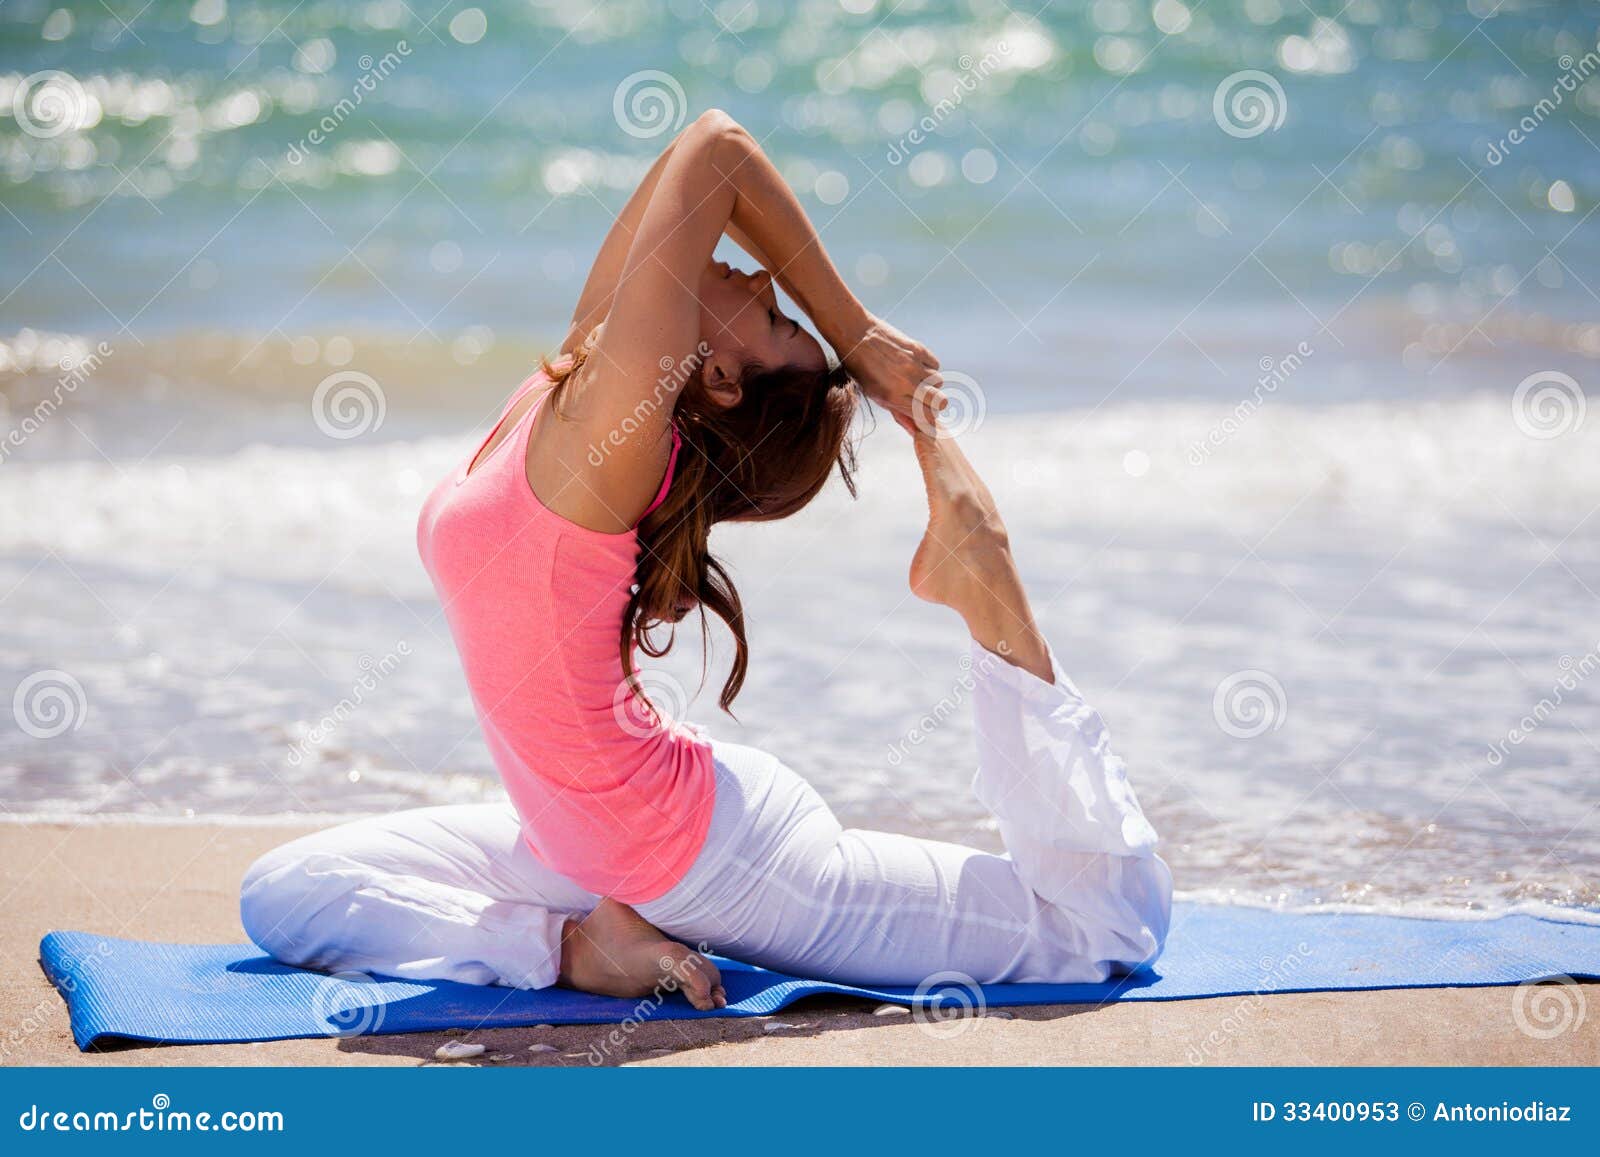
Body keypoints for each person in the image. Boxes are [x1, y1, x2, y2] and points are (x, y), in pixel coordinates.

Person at [240, 111, 1171, 1012]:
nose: (763, 276)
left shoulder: (611, 433)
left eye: (767, 313)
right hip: (604, 834)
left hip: (718, 862)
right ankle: (575, 946)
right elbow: (695, 163)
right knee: (288, 889)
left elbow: (717, 150)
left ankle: (984, 568)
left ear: (720, 376)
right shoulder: (583, 366)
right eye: (777, 302)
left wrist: (855, 336)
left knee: (1102, 929)